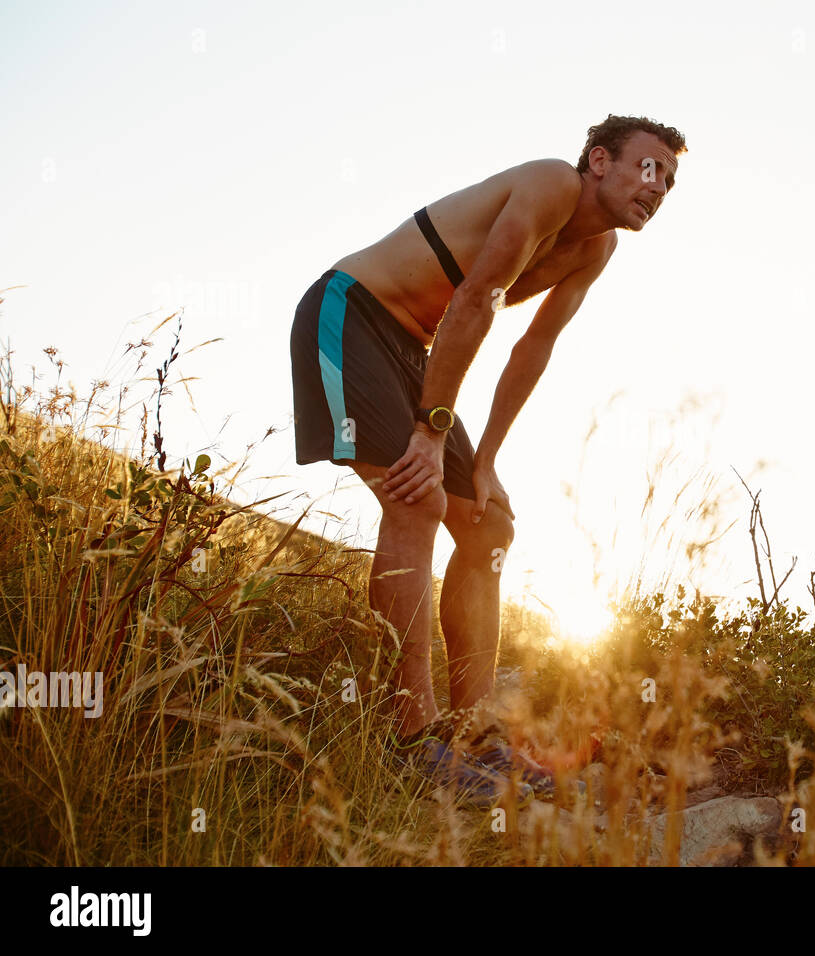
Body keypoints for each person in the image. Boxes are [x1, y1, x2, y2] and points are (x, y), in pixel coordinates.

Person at [290, 115, 686, 805]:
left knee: (487, 526)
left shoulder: (596, 250)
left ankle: (472, 738)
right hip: (352, 312)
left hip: (418, 352)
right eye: (650, 169)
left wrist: (488, 460)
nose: (659, 189)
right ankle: (410, 741)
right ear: (598, 160)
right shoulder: (548, 185)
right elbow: (477, 298)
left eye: (670, 183)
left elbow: (532, 348)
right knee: (416, 499)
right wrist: (430, 431)